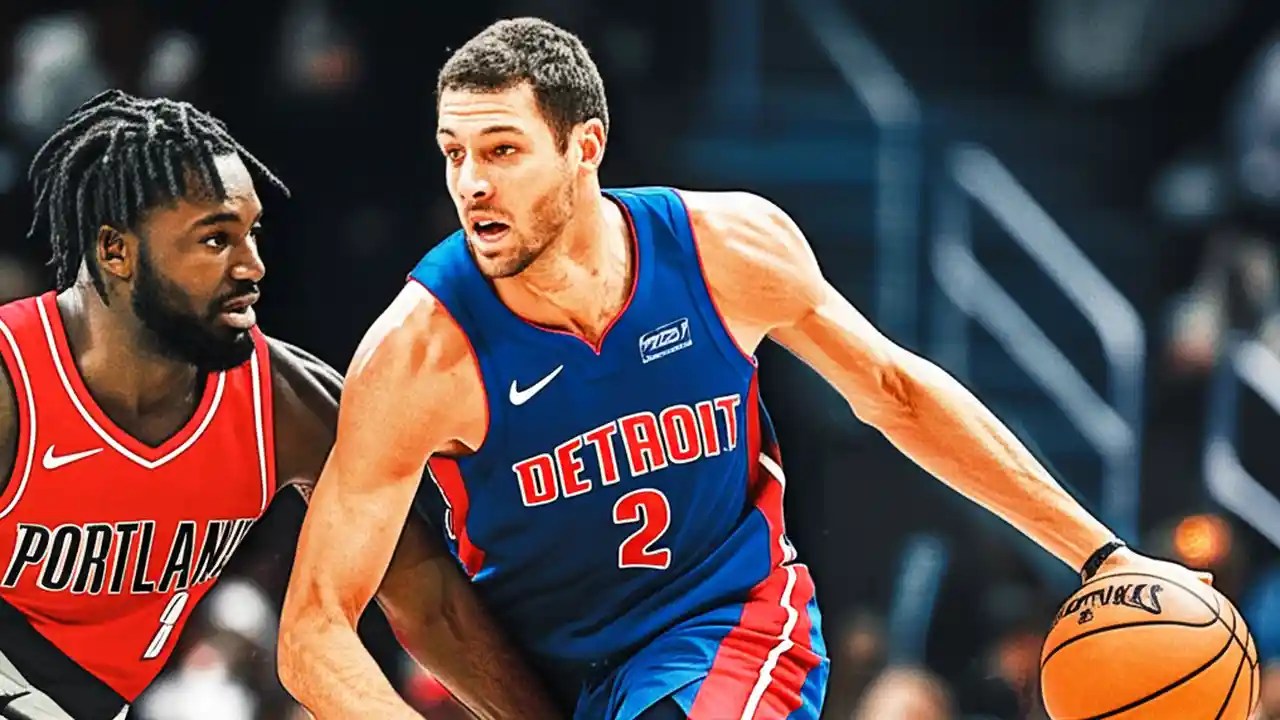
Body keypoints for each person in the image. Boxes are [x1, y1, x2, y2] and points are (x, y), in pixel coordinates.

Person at [277, 17, 1206, 720]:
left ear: (584, 147)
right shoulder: (418, 353)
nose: (471, 182)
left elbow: (896, 392)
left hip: (732, 623)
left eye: (502, 150)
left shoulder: (726, 250)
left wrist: (1100, 553)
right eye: (454, 153)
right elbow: (314, 631)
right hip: (549, 679)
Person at [0, 90, 557, 720]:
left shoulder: (288, 405)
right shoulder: (13, 384)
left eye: (252, 234)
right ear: (115, 251)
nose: (253, 266)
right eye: (216, 240)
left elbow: (433, 605)